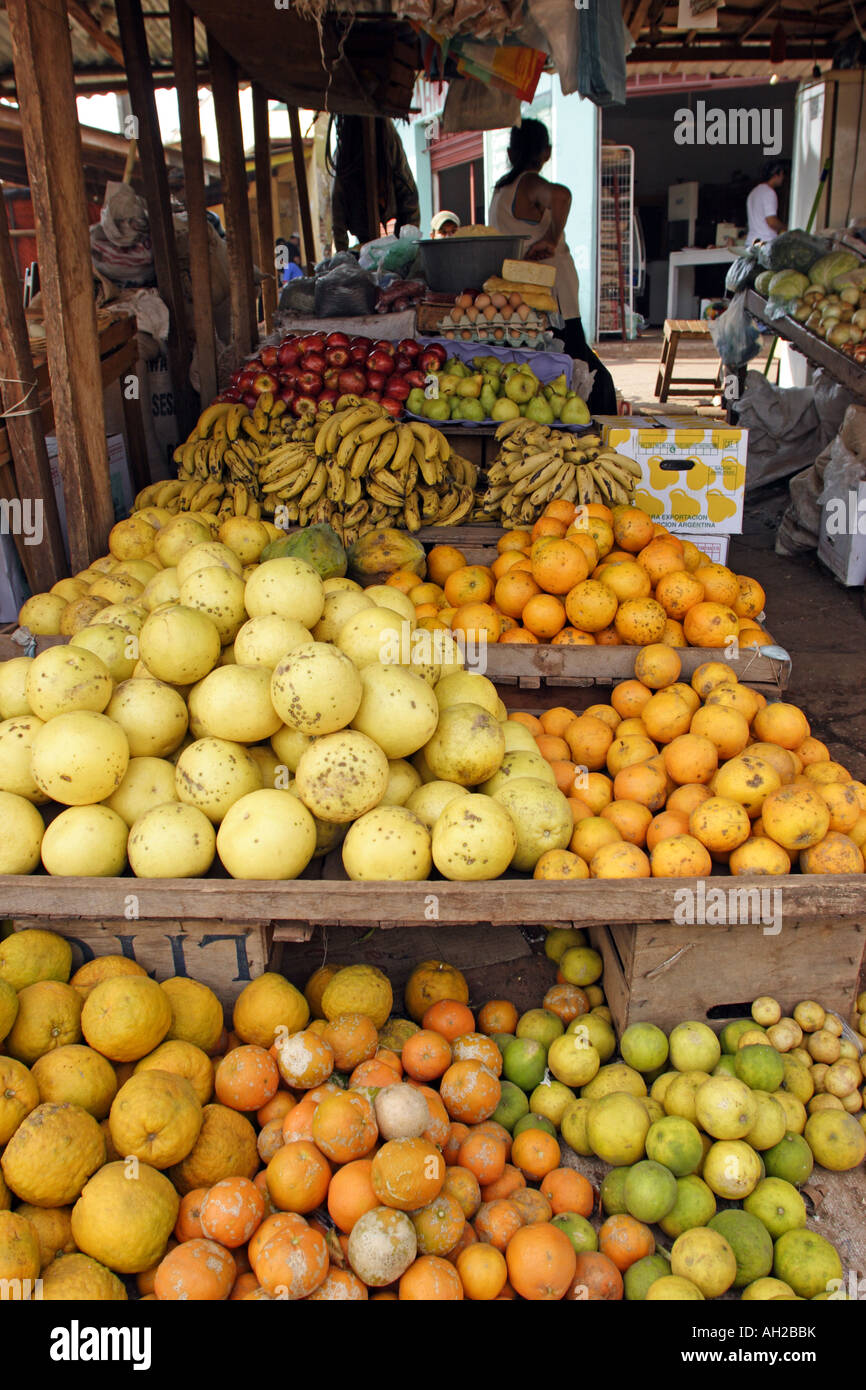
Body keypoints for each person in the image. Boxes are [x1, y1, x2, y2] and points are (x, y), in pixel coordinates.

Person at [488, 119, 617, 416]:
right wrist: (551, 237)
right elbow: (562, 195)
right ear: (546, 152)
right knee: (593, 378)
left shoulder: (501, 191)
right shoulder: (529, 183)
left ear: (510, 153)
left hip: (527, 299)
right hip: (553, 302)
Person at [328, 115, 420, 252]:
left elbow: (409, 196)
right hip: (360, 224)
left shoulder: (389, 144)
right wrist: (342, 255)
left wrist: (407, 248)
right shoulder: (344, 156)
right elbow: (338, 212)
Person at [746, 163, 787, 246]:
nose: (783, 178)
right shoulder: (769, 192)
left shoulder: (754, 192)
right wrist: (787, 228)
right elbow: (771, 222)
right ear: (775, 175)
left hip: (751, 242)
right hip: (765, 243)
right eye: (782, 174)